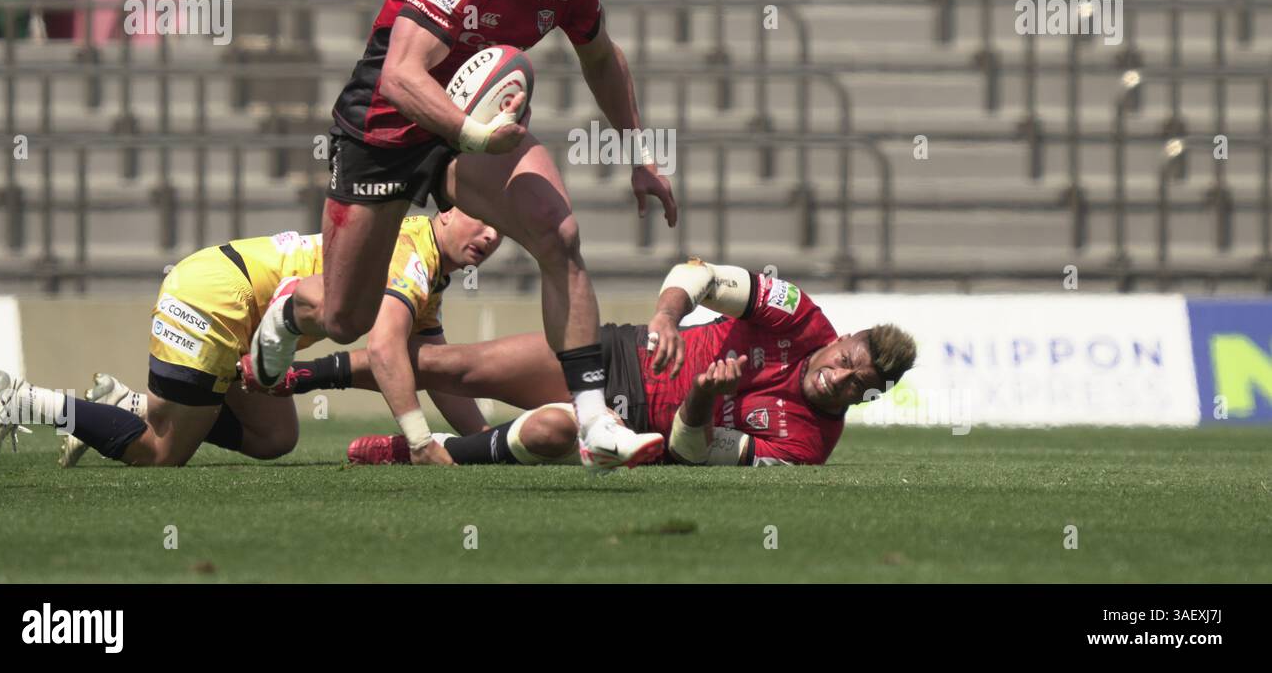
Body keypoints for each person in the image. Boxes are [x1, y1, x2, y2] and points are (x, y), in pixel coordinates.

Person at [249, 0, 676, 470]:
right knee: (344, 317)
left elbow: (601, 58)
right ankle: (291, 310)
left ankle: (594, 419)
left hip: (466, 136)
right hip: (386, 134)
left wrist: (640, 152)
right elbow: (400, 76)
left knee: (559, 234)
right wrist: (475, 133)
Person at [0, 209, 499, 470]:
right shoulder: (411, 256)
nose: (492, 237)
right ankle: (23, 400)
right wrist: (421, 443)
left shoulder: (422, 262)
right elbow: (386, 352)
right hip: (218, 298)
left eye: (502, 231)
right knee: (160, 453)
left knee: (275, 438)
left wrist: (482, 449)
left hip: (236, 301)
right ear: (447, 211)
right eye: (485, 222)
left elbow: (436, 370)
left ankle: (123, 401)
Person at [270, 261, 918, 466]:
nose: (837, 377)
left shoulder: (807, 444)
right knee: (453, 366)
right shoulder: (799, 316)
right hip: (625, 355)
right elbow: (698, 273)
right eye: (845, 361)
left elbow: (694, 455)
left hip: (648, 437)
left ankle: (419, 452)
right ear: (844, 338)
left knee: (552, 432)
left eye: (855, 386)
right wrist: (668, 316)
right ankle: (293, 376)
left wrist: (695, 401)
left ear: (867, 397)